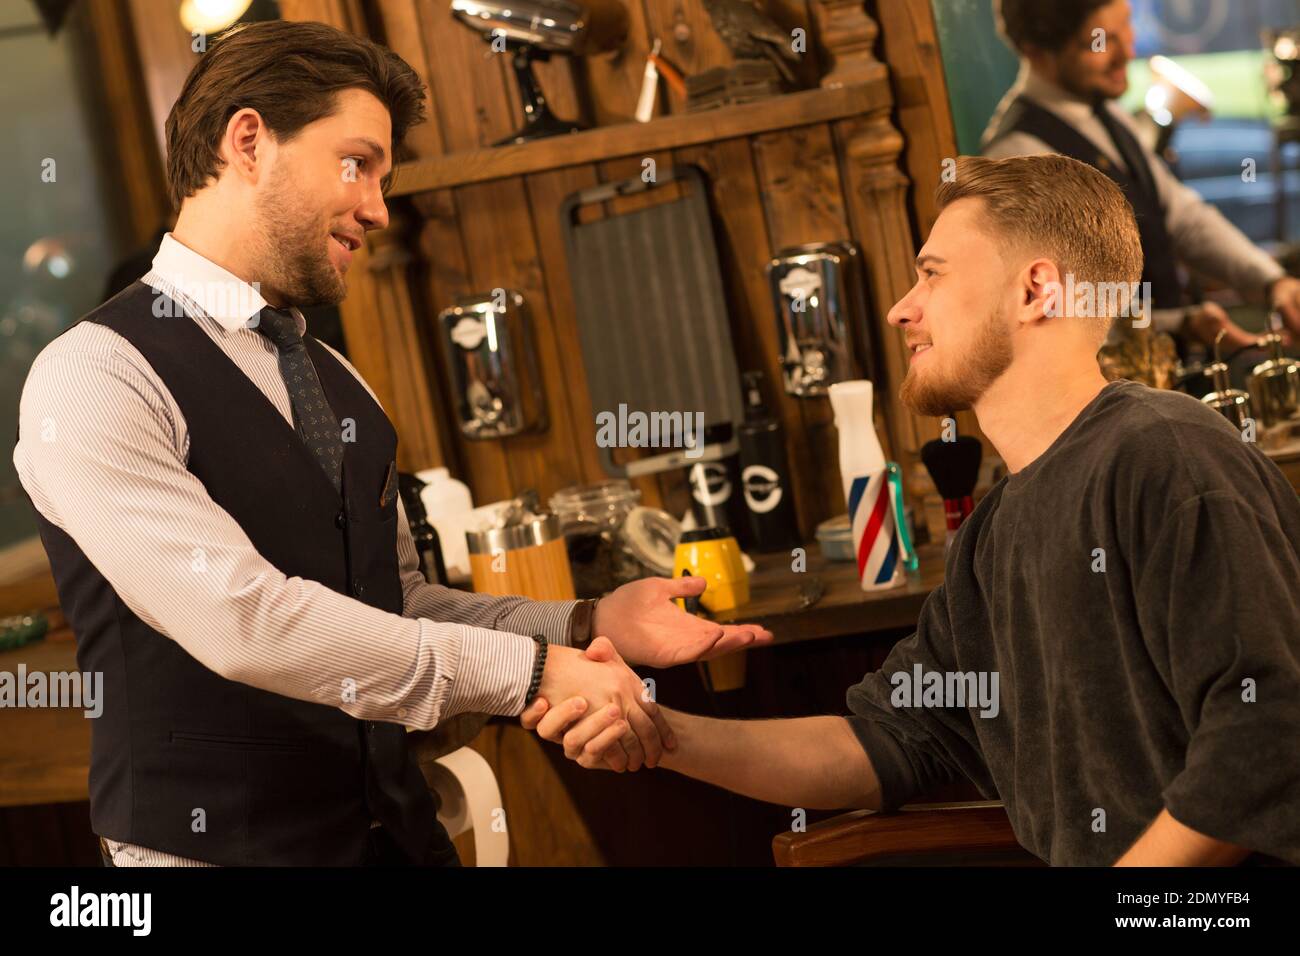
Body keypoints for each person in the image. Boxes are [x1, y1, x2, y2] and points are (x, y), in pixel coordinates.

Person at [12, 20, 770, 867]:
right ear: (250, 140)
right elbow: (245, 622)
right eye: (358, 163)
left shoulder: (336, 376)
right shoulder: (91, 375)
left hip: (397, 840)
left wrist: (589, 620)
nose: (377, 207)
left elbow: (395, 605)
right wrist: (532, 674)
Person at [524, 155, 1300, 866]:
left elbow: (1267, 736)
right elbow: (887, 742)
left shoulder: (1165, 456)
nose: (902, 310)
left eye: (931, 275)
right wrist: (659, 733)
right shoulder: (995, 534)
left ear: (1035, 290)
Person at [982, 0, 1300, 362]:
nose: (1128, 52)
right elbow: (1061, 309)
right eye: (1098, 42)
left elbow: (1182, 217)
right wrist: (1177, 323)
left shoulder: (1109, 113)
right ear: (1035, 51)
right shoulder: (1018, 156)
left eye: (1126, 29)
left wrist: (1274, 282)